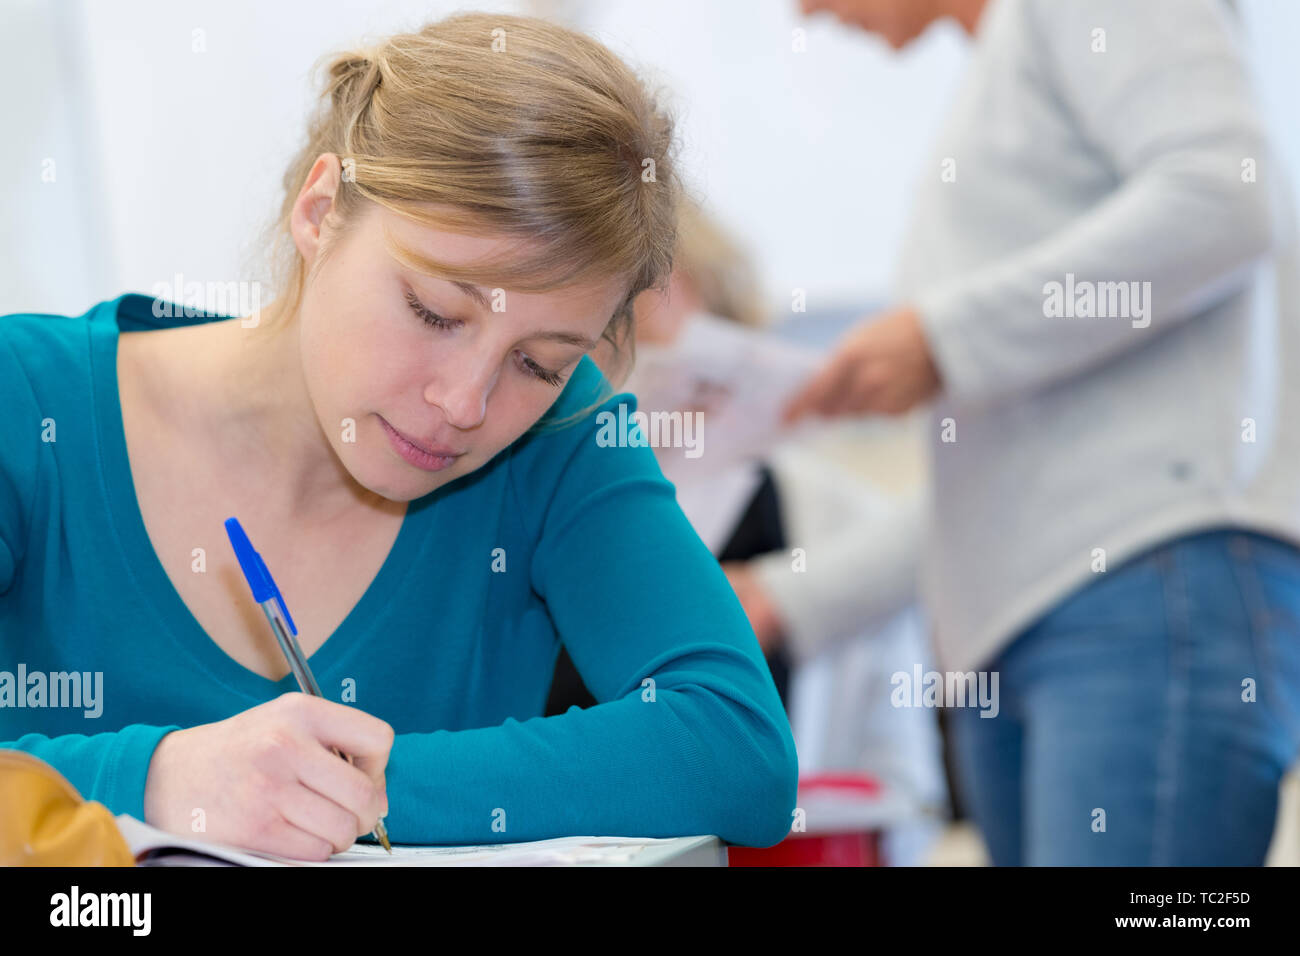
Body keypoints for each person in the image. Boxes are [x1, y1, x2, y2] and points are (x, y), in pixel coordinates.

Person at [0, 12, 798, 861]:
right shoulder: (27, 402)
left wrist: (348, 789)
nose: (463, 403)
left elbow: (735, 748)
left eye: (539, 362)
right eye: (433, 312)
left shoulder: (561, 439)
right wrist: (158, 779)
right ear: (319, 211)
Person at [788, 0, 1300, 865]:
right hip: (1052, 619)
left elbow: (1224, 198)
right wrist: (789, 601)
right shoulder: (1000, 83)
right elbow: (1005, 477)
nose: (803, 11)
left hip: (1142, 587)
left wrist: (942, 339)